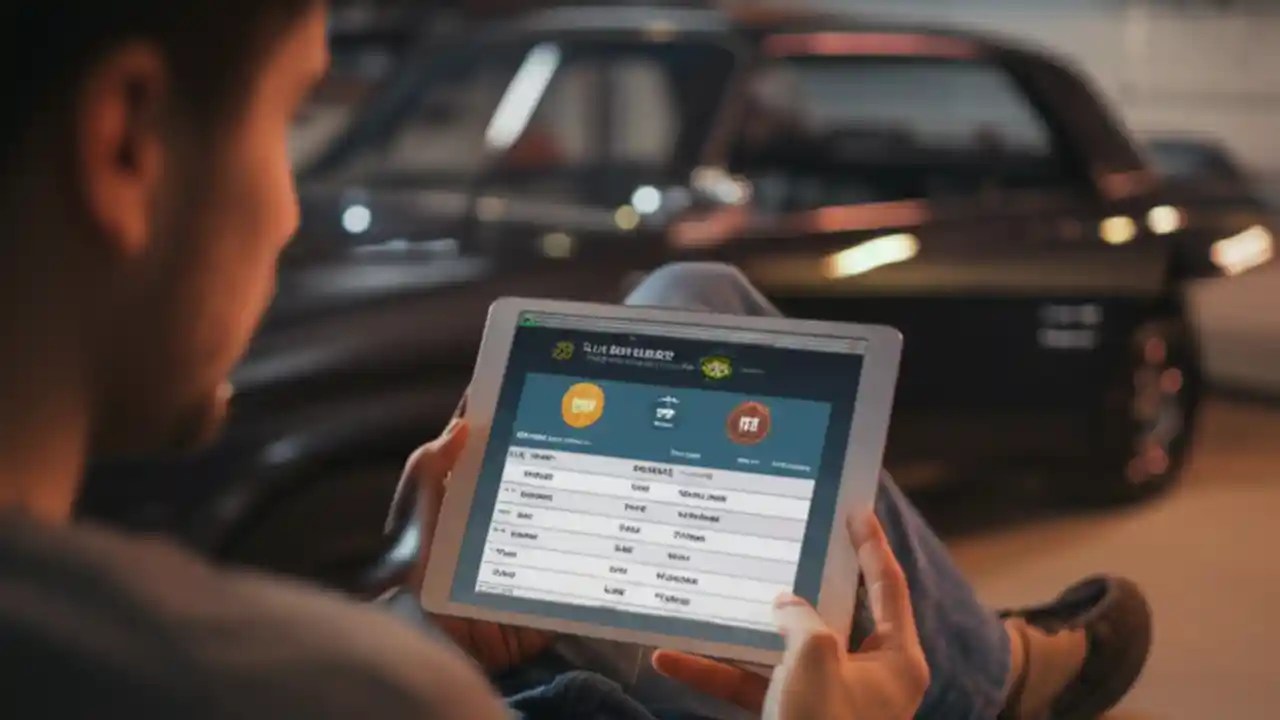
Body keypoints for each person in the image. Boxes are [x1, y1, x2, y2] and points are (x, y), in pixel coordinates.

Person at [0, 1, 1150, 718]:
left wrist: (414, 612)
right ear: (128, 142)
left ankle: (987, 670)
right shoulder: (314, 690)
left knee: (689, 299)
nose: (292, 213)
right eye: (287, 119)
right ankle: (984, 679)